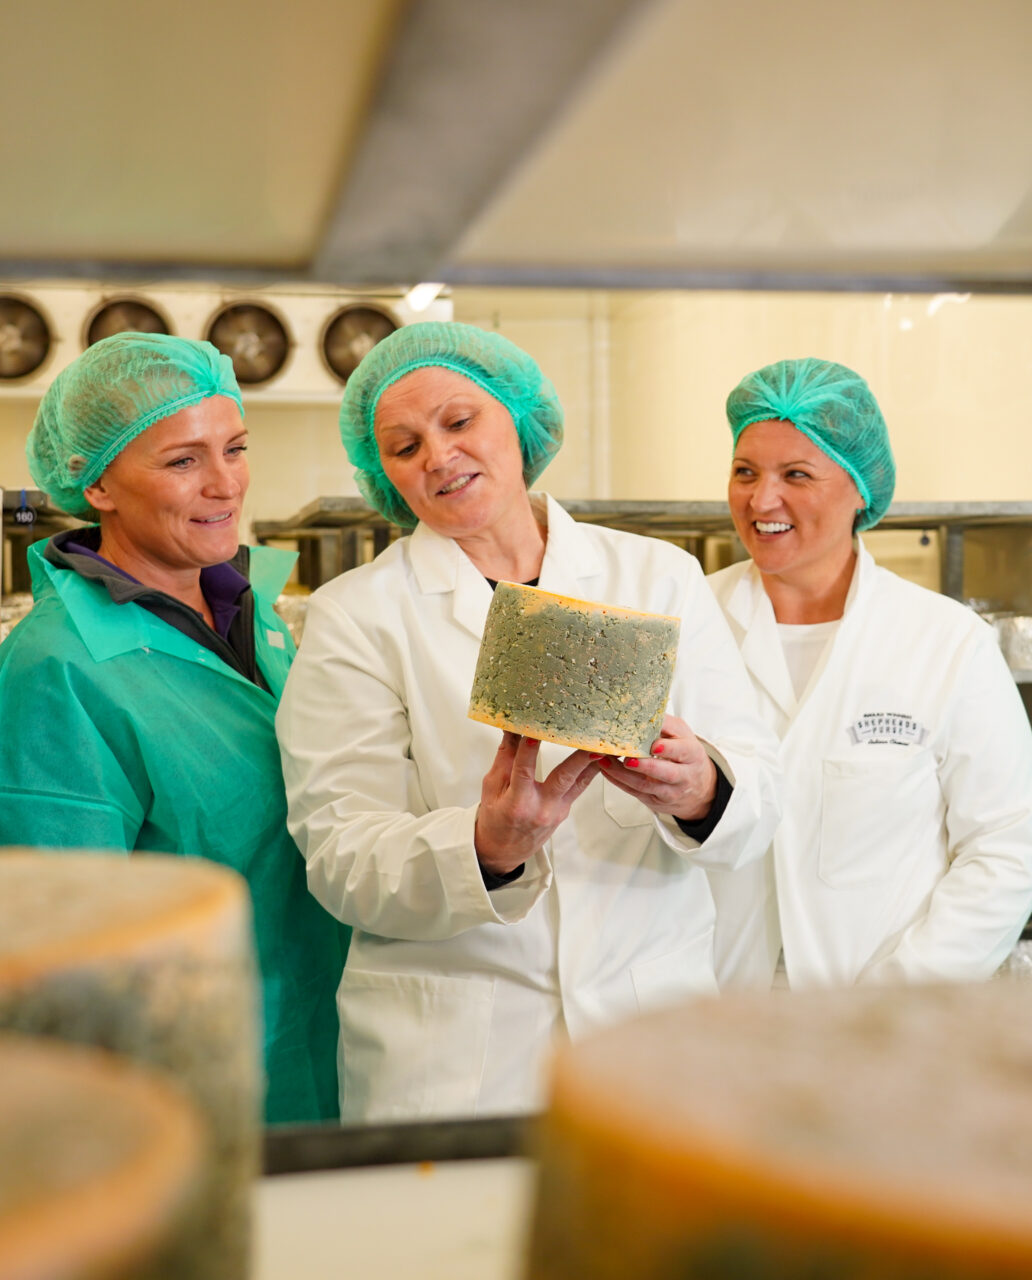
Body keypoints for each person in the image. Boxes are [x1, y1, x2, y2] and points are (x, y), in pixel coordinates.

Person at [277, 321, 779, 1121]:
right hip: (454, 1062)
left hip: (649, 1038)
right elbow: (339, 851)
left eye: (459, 420)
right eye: (403, 447)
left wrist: (702, 787)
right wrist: (486, 848)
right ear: (386, 475)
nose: (437, 457)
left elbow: (761, 794)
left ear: (517, 418)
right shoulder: (357, 617)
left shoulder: (658, 577)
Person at [0, 333, 352, 1125]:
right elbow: (52, 963)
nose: (224, 483)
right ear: (96, 482)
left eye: (234, 448)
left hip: (318, 1048)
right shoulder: (56, 675)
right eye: (181, 462)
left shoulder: (258, 617)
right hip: (182, 1096)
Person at [704, 358, 1032, 991]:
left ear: (861, 488)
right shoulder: (685, 622)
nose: (762, 500)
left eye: (796, 475)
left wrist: (902, 996)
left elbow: (1006, 843)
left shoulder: (943, 641)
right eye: (745, 472)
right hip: (708, 1007)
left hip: (884, 1014)